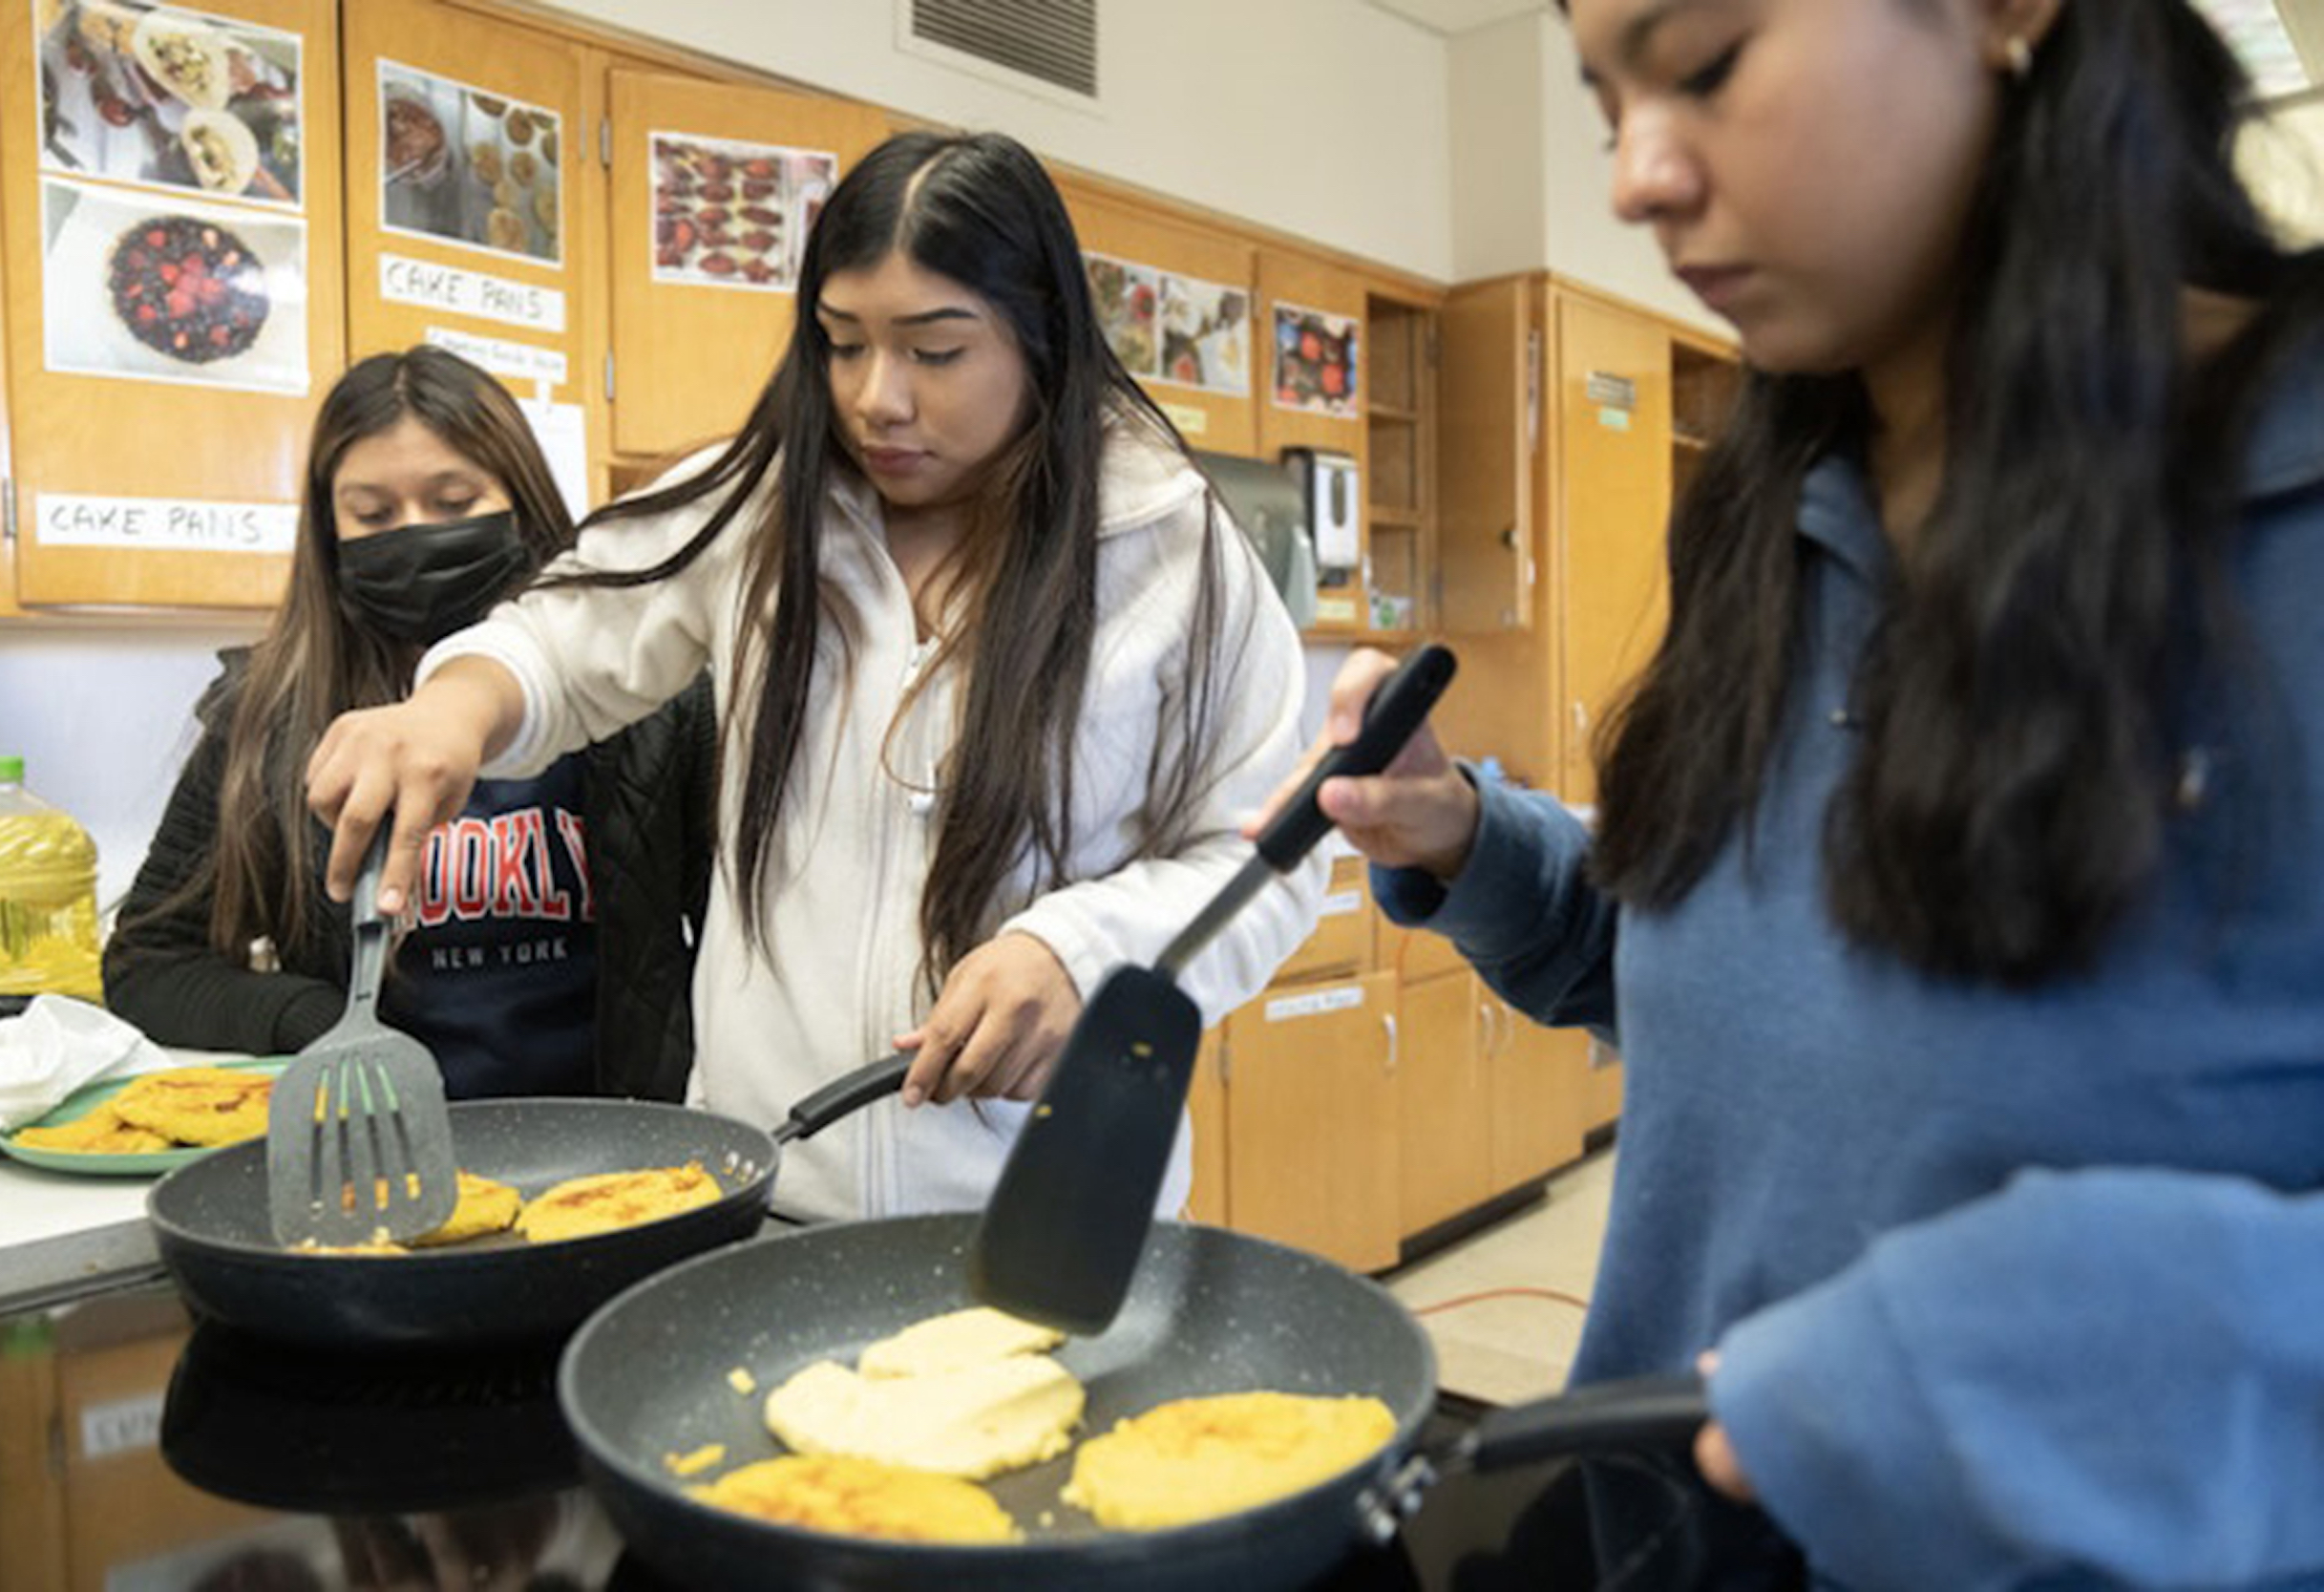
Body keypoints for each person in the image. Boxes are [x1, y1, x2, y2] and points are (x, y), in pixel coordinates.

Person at [1278, 3, 2324, 1586]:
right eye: (1604, 99)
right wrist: (1475, 838)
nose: (1634, 177)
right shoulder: (1783, 506)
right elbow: (1737, 1008)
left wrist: (2097, 1328)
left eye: (1703, 64)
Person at [301, 132, 1322, 1221]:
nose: (876, 397)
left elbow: (1267, 860)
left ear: (1042, 340)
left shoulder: (1172, 550)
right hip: (767, 1190)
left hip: (1060, 1209)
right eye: (840, 343)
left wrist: (1084, 952)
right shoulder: (759, 507)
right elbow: (563, 639)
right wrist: (453, 705)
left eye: (935, 351)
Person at [105, 347, 715, 1102]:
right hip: (374, 1150)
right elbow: (149, 964)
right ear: (330, 534)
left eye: (455, 502)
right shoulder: (267, 714)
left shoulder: (650, 700)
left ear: (521, 503)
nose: (416, 533)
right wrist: (315, 1022)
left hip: (621, 1151)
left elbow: (743, 937)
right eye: (373, 514)